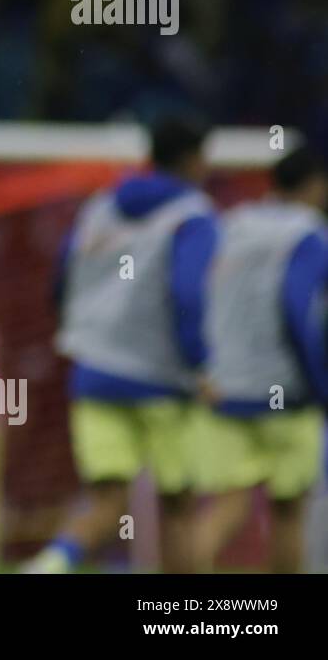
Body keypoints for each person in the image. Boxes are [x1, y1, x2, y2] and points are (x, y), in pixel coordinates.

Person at [25, 116, 217, 573]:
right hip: (164, 379)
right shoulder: (194, 215)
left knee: (105, 500)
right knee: (179, 506)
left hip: (94, 371)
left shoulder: (100, 205)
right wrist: (201, 363)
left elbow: (59, 281)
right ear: (193, 159)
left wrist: (86, 335)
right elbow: (188, 293)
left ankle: (49, 565)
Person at [194, 145, 328, 572]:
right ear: (314, 185)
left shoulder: (232, 224)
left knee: (228, 510)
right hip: (286, 392)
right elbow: (298, 309)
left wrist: (201, 364)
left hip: (226, 389)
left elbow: (193, 293)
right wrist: (320, 384)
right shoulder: (308, 234)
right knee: (288, 514)